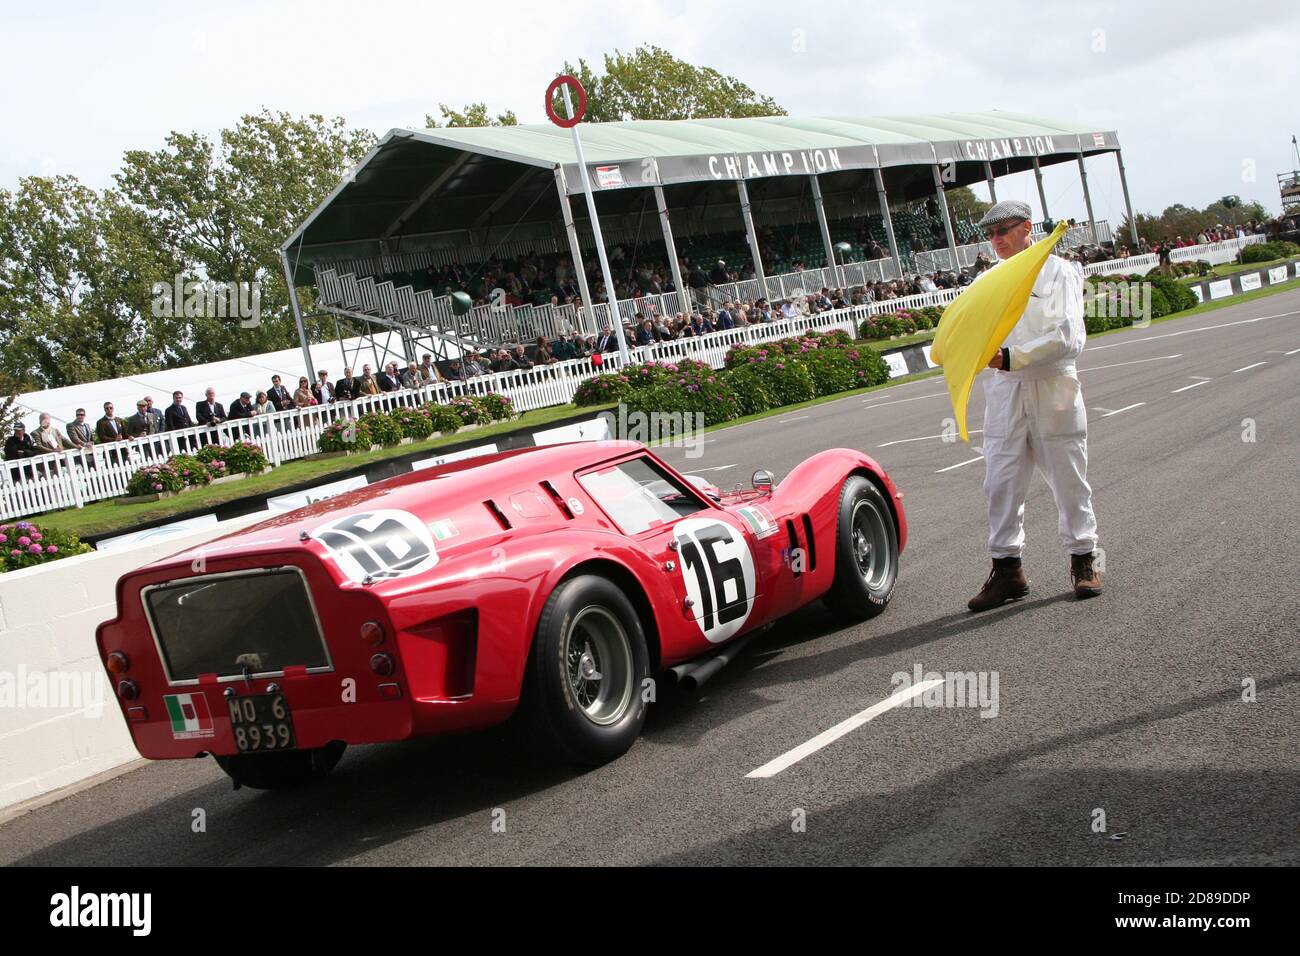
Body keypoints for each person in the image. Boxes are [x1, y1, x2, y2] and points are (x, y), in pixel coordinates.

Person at [965, 200, 1102, 612]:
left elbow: (1068, 337)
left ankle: (1083, 560)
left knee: (1068, 477)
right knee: (1000, 483)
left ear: (1027, 228)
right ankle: (1008, 571)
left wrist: (1010, 356)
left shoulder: (1060, 271)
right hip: (1006, 390)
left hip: (1053, 384)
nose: (996, 240)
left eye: (1003, 230)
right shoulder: (988, 280)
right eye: (990, 234)